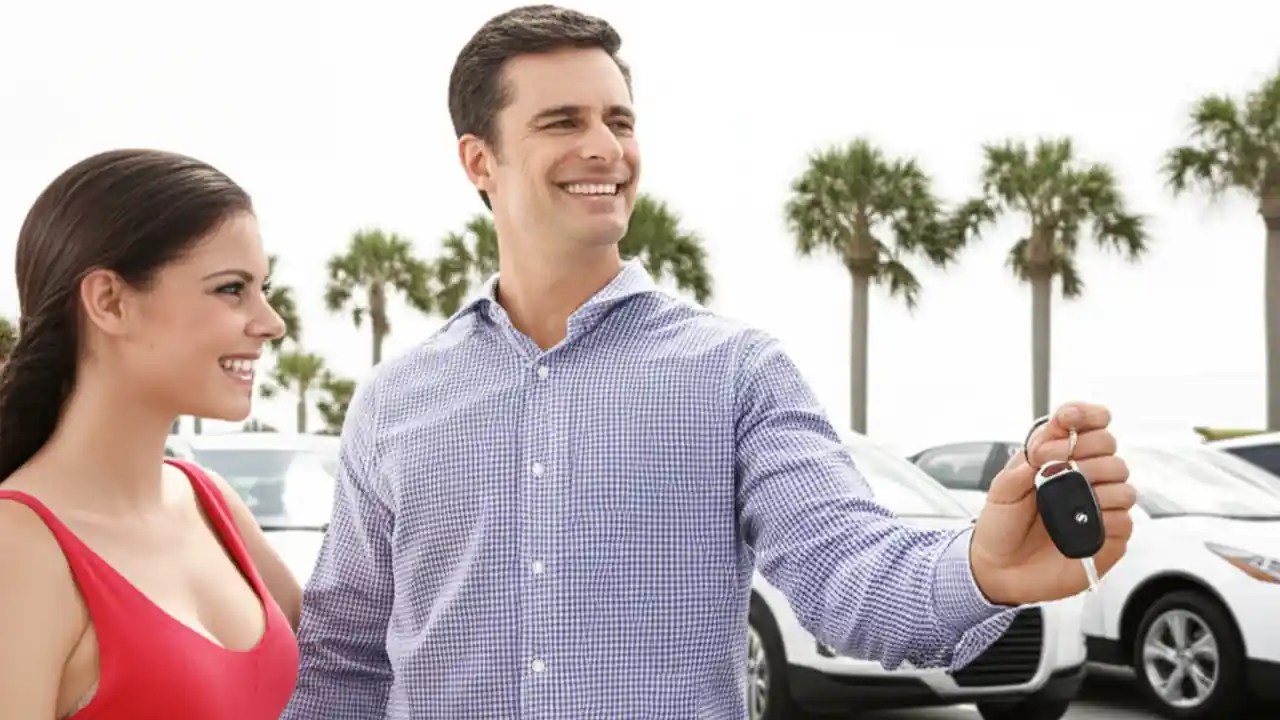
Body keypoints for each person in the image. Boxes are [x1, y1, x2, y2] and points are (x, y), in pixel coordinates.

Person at [284, 6, 1136, 718]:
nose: (605, 147)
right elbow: (346, 659)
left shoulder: (736, 372)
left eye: (619, 120)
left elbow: (847, 574)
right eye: (562, 122)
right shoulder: (395, 400)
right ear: (481, 161)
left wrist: (982, 568)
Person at [0, 149, 302, 719]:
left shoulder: (209, 502)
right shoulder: (18, 550)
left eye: (263, 288)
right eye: (231, 289)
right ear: (110, 302)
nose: (270, 322)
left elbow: (353, 653)